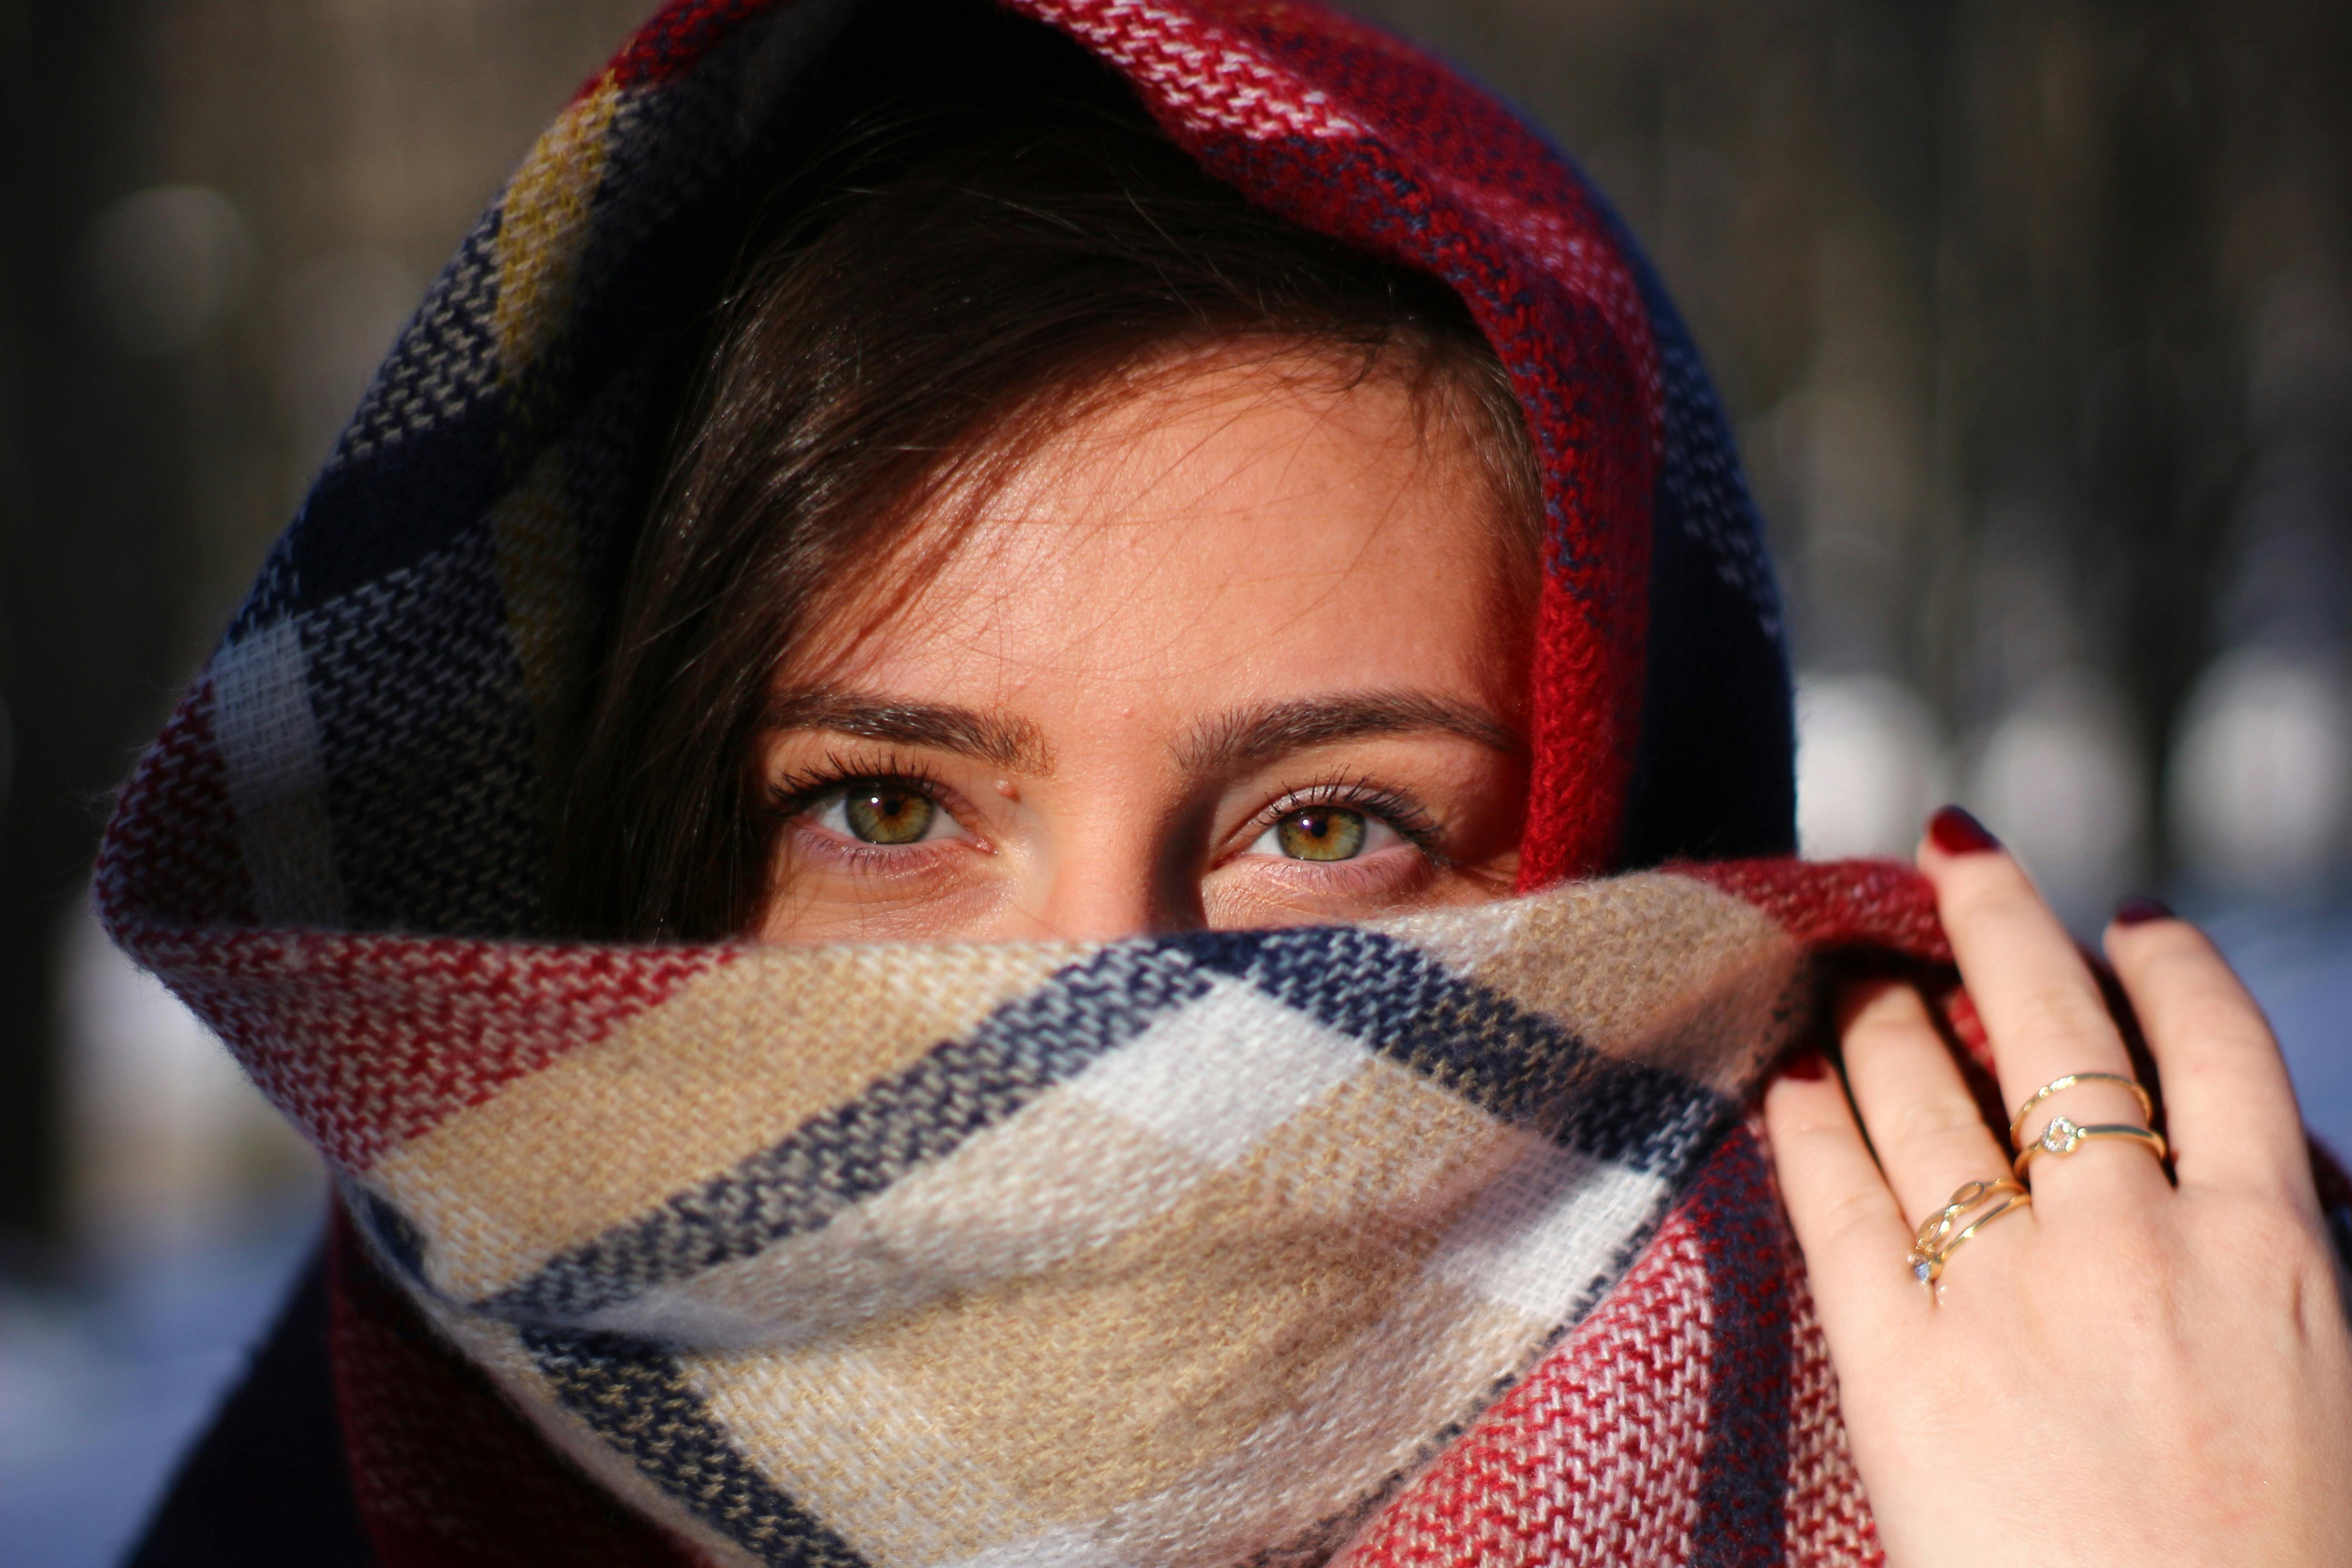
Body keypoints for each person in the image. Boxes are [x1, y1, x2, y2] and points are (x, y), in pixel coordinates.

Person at [103, 2, 2350, 1564]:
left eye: (1325, 823)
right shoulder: (385, 1483)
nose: (1104, 1005)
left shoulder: (2130, 1433)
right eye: (889, 809)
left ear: (1628, 839)